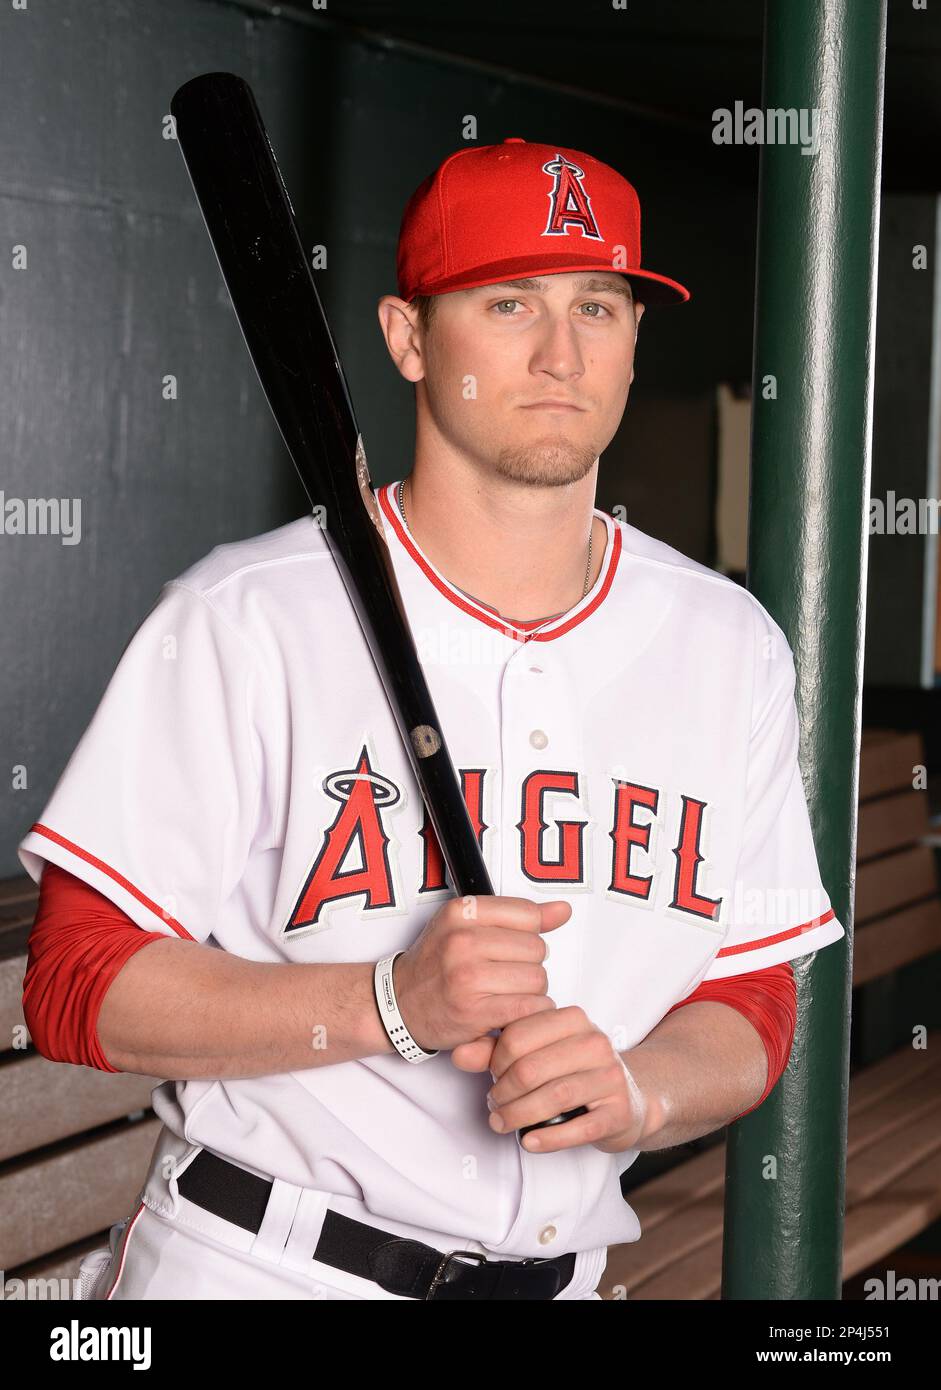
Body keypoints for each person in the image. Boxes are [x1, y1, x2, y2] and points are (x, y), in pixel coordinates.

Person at [19, 138, 844, 1301]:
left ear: (631, 340)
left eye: (597, 305)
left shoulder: (729, 645)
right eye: (508, 302)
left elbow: (751, 997)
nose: (560, 352)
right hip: (267, 1265)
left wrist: (639, 1086)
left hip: (560, 1279)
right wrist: (387, 1005)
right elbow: (73, 981)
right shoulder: (246, 615)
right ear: (409, 338)